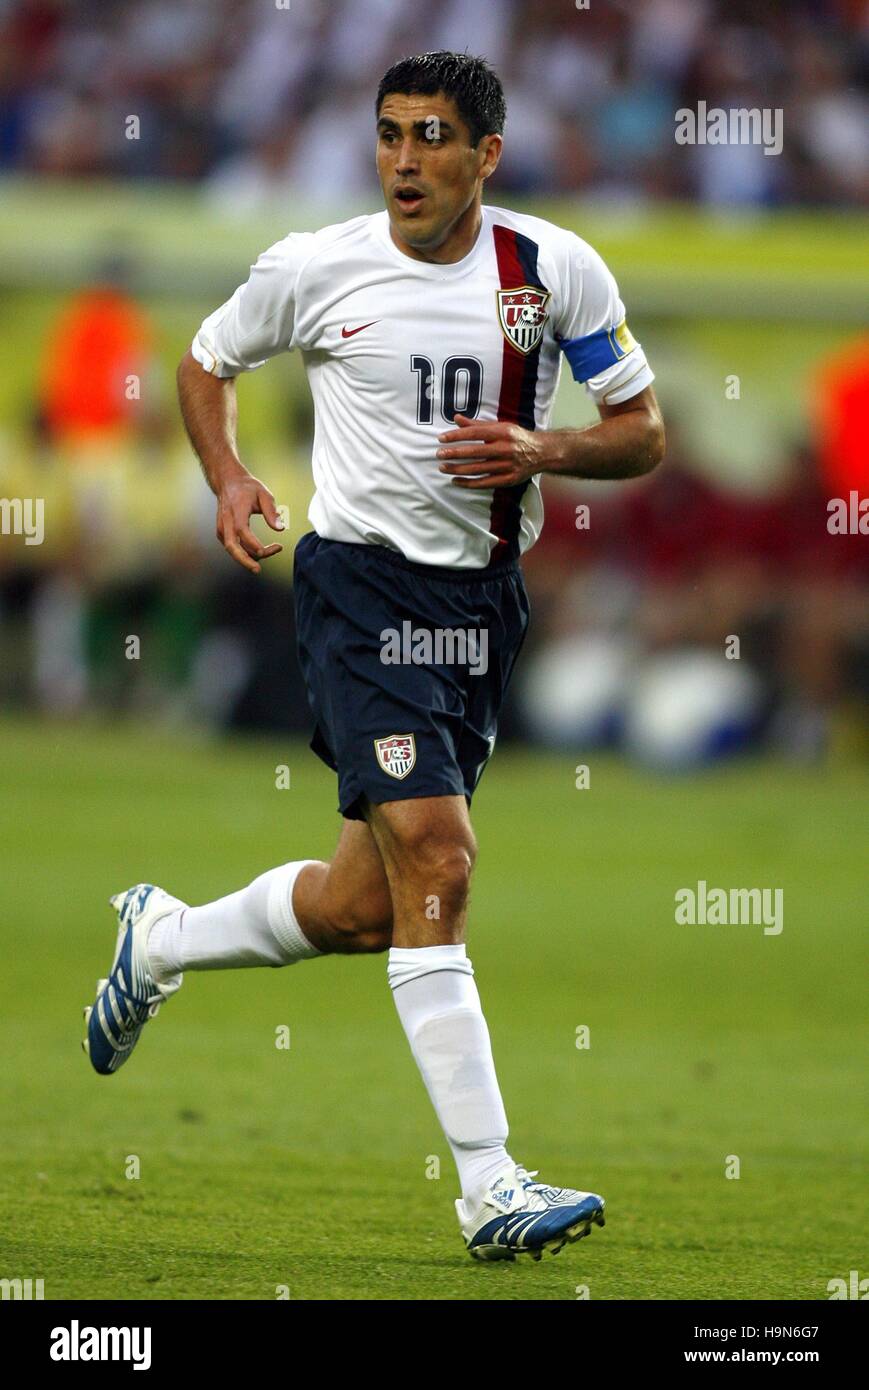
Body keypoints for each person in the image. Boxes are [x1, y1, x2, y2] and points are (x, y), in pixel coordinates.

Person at [83, 51, 664, 1262]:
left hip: (480, 606)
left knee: (363, 907)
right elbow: (204, 363)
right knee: (438, 857)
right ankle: (489, 1186)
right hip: (357, 591)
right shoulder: (315, 266)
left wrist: (539, 453)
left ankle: (161, 937)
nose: (404, 158)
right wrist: (233, 477)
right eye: (390, 133)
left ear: (485, 156)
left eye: (433, 136)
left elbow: (640, 432)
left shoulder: (552, 269)